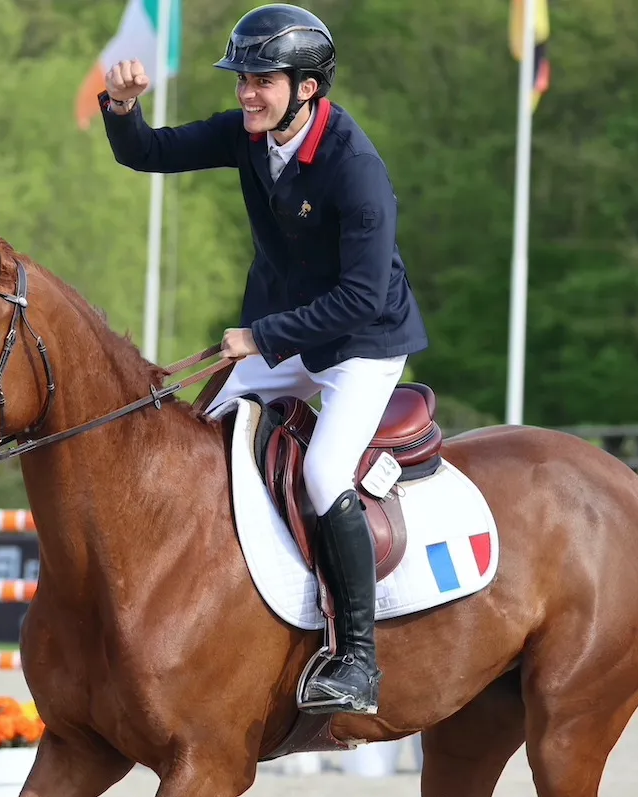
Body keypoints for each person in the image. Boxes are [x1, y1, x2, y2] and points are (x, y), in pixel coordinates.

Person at [96, 3, 429, 715]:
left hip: (360, 345)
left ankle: (358, 661)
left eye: (262, 79)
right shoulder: (250, 135)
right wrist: (121, 107)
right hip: (283, 333)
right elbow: (146, 152)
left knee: (322, 471)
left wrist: (266, 337)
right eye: (242, 77)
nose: (246, 91)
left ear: (308, 87)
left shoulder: (356, 169)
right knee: (197, 438)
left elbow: (363, 297)